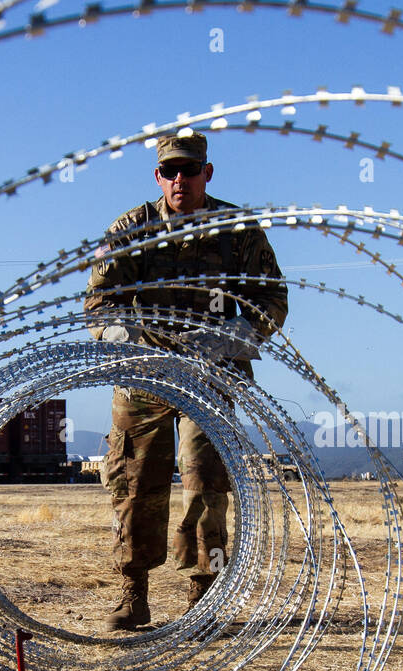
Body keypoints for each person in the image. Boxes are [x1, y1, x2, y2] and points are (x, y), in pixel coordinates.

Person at [84, 131, 287, 630]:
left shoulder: (236, 230)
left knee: (206, 483)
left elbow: (271, 301)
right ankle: (134, 596)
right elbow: (97, 303)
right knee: (134, 484)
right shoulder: (133, 228)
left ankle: (203, 596)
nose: (180, 179)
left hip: (212, 377)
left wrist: (230, 339)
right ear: (158, 176)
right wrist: (130, 338)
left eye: (189, 170)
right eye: (170, 171)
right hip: (144, 379)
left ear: (207, 173)